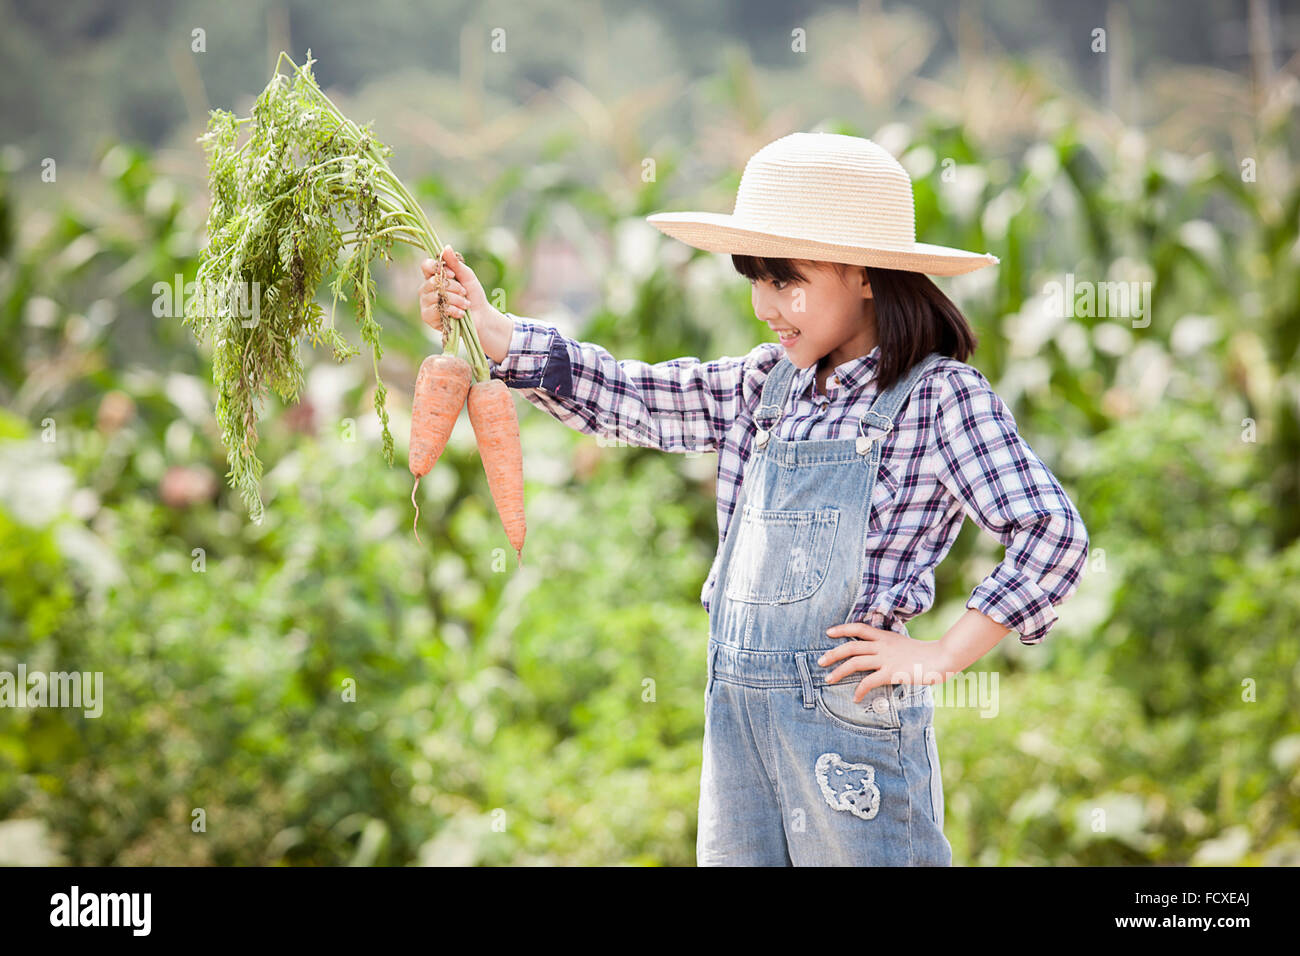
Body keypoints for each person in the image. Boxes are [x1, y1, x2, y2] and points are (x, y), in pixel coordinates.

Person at [417, 131, 1089, 866]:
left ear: (863, 274)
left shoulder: (936, 397)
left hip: (849, 730)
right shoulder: (764, 385)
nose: (765, 306)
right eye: (755, 280)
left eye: (785, 280)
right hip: (737, 720)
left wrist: (941, 654)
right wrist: (498, 334)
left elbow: (1052, 533)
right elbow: (635, 397)